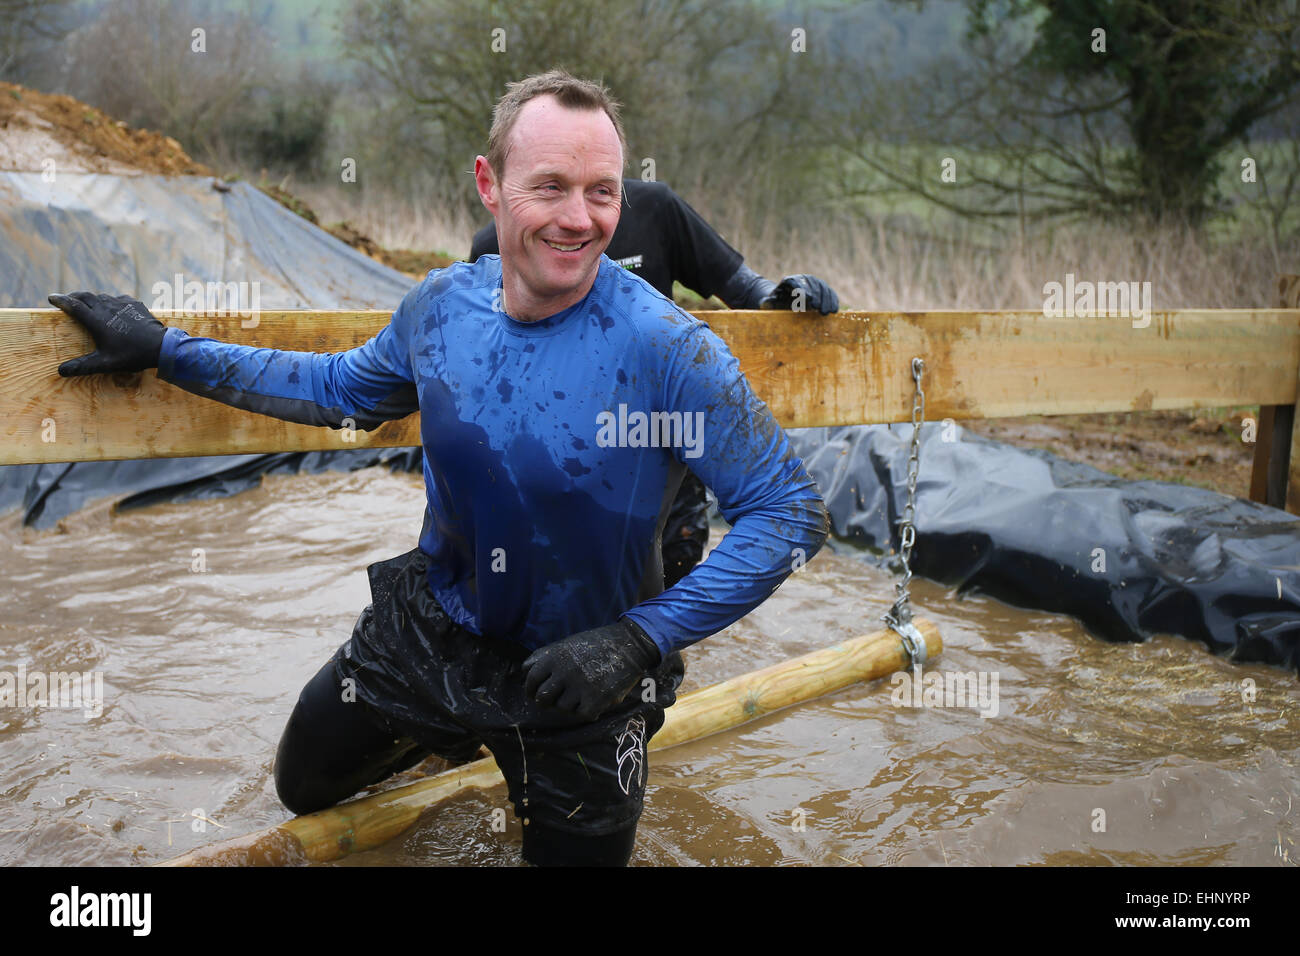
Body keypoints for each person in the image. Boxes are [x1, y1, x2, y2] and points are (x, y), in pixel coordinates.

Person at [48, 70, 830, 867]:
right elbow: (336, 390)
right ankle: (453, 739)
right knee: (300, 787)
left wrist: (636, 641)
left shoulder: (670, 348)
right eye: (550, 186)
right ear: (489, 184)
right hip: (431, 630)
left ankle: (514, 743)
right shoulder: (442, 307)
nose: (579, 218)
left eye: (603, 192)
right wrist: (168, 351)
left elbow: (789, 512)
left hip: (581, 677)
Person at [470, 179, 840, 589]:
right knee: (560, 598)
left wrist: (787, 299)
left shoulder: (652, 208)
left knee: (667, 592)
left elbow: (741, 287)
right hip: (559, 468)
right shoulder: (494, 243)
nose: (577, 218)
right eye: (552, 181)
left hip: (664, 457)